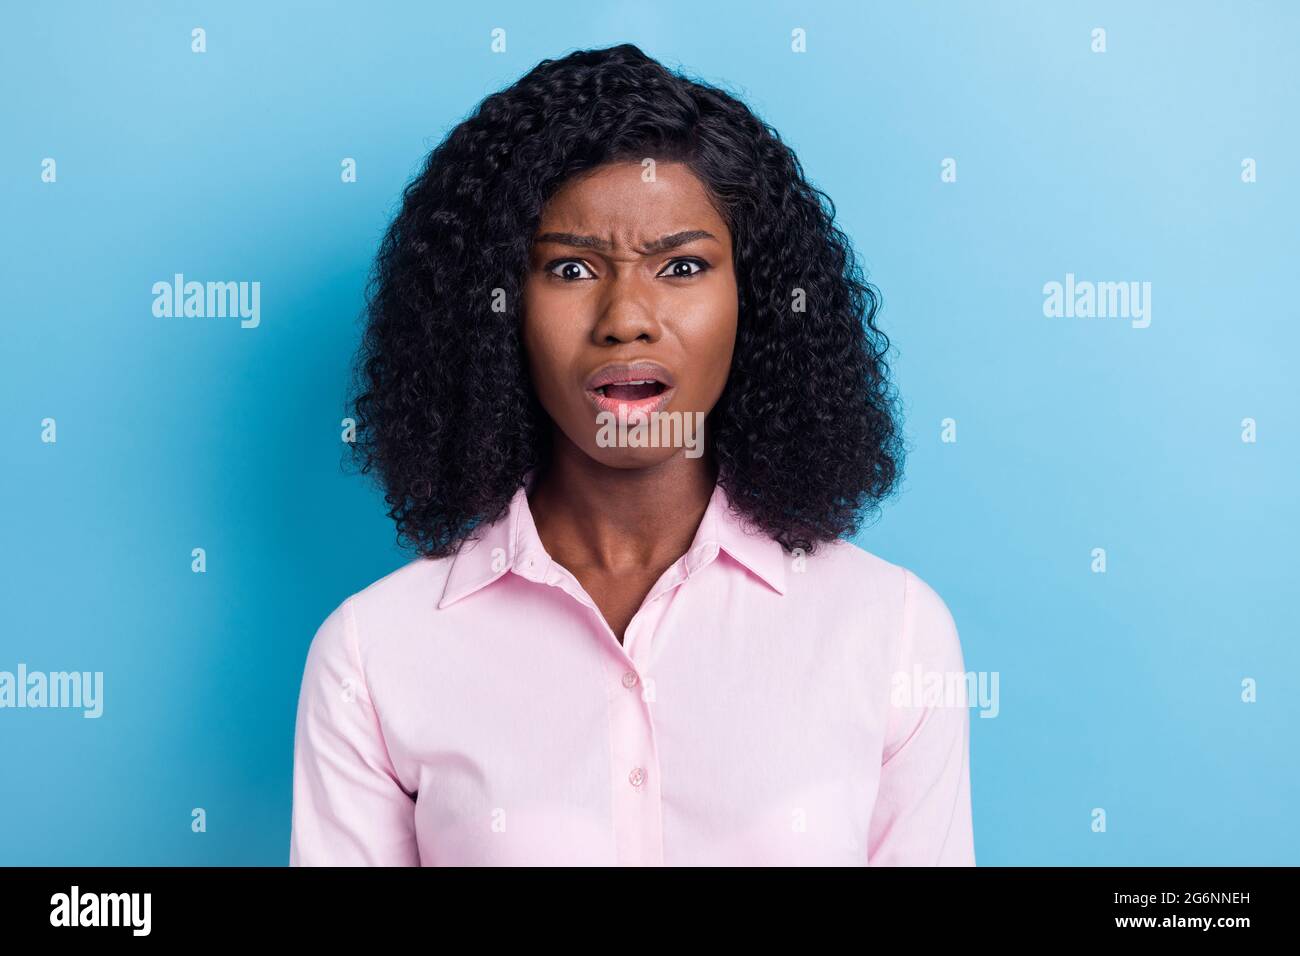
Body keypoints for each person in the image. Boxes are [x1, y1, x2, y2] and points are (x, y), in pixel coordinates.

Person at [289, 43, 974, 866]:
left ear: (751, 300)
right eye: (572, 268)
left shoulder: (890, 633)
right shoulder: (372, 655)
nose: (626, 319)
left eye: (681, 266)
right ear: (496, 307)